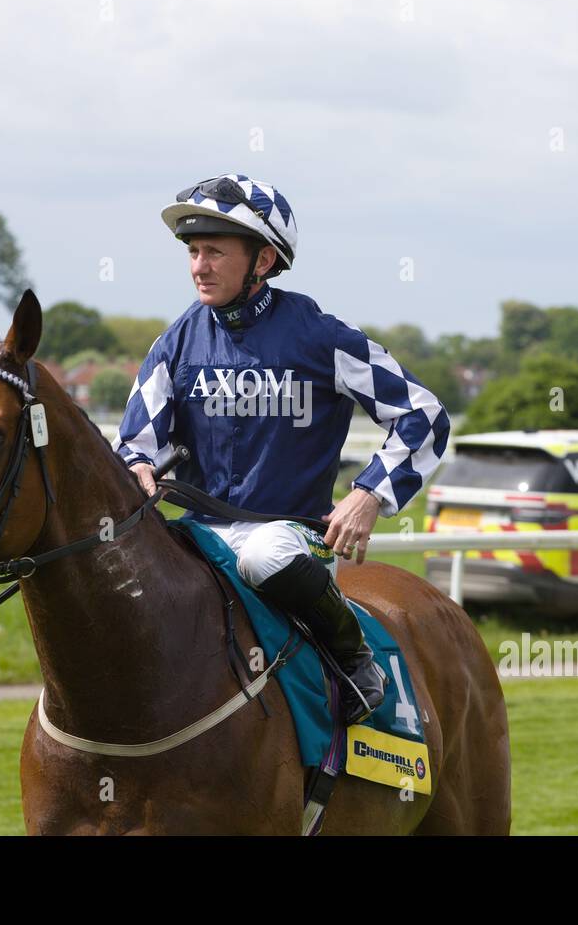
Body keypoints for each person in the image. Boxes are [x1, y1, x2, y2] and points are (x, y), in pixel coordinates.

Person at [114, 174, 451, 725]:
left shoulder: (322, 337)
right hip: (198, 532)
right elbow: (135, 442)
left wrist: (367, 496)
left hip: (291, 536)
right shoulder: (174, 342)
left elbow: (424, 415)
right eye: (194, 251)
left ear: (264, 261)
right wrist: (139, 465)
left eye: (216, 253)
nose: (199, 266)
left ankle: (354, 657)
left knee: (265, 555)